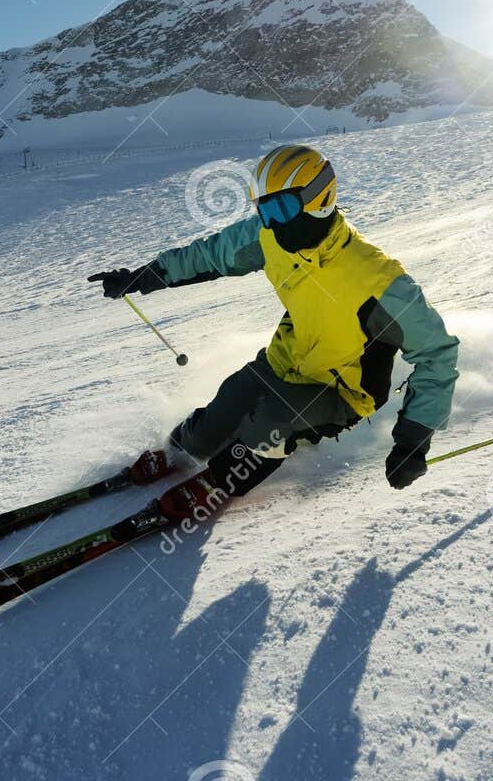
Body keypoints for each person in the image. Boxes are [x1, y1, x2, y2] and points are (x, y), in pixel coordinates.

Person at [89, 144, 459, 523]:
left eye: (281, 208)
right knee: (227, 404)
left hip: (341, 391)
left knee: (268, 423)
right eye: (264, 210)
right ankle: (181, 451)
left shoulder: (379, 281)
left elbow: (437, 354)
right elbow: (213, 254)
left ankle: (221, 481)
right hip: (283, 362)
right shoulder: (272, 236)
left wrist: (413, 443)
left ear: (319, 199)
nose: (273, 222)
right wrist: (145, 276)